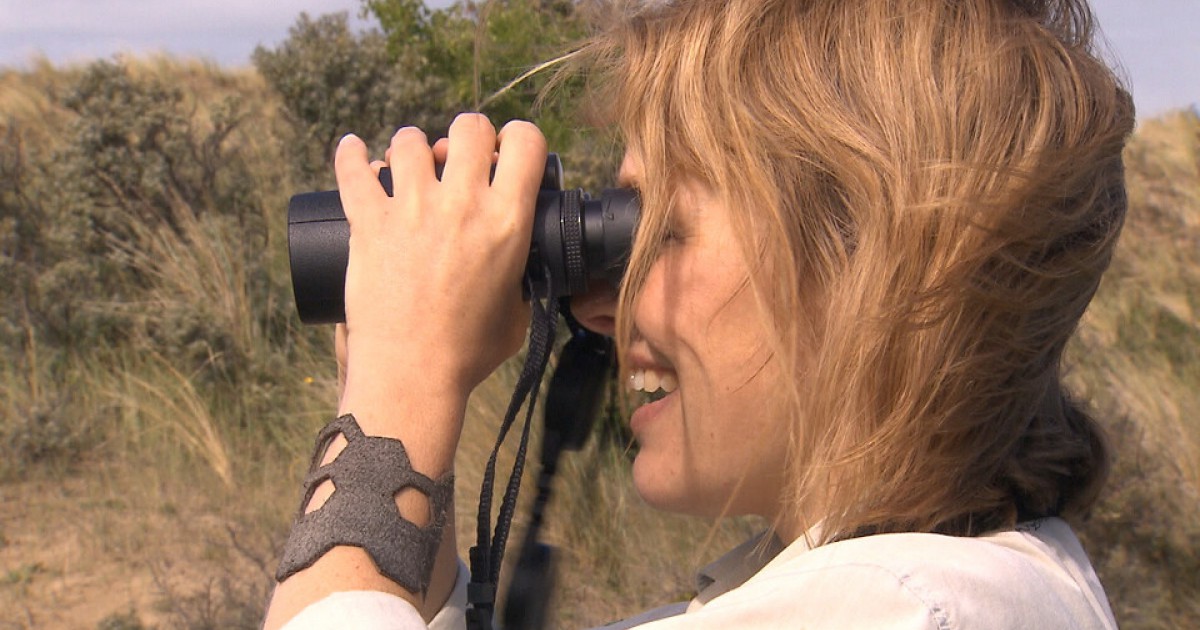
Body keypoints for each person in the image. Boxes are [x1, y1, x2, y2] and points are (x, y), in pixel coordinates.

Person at [263, 0, 1134, 627]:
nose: (598, 308)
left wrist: (398, 388)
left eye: (661, 231)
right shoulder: (951, 583)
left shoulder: (899, 604)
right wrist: (404, 415)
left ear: (868, 259)